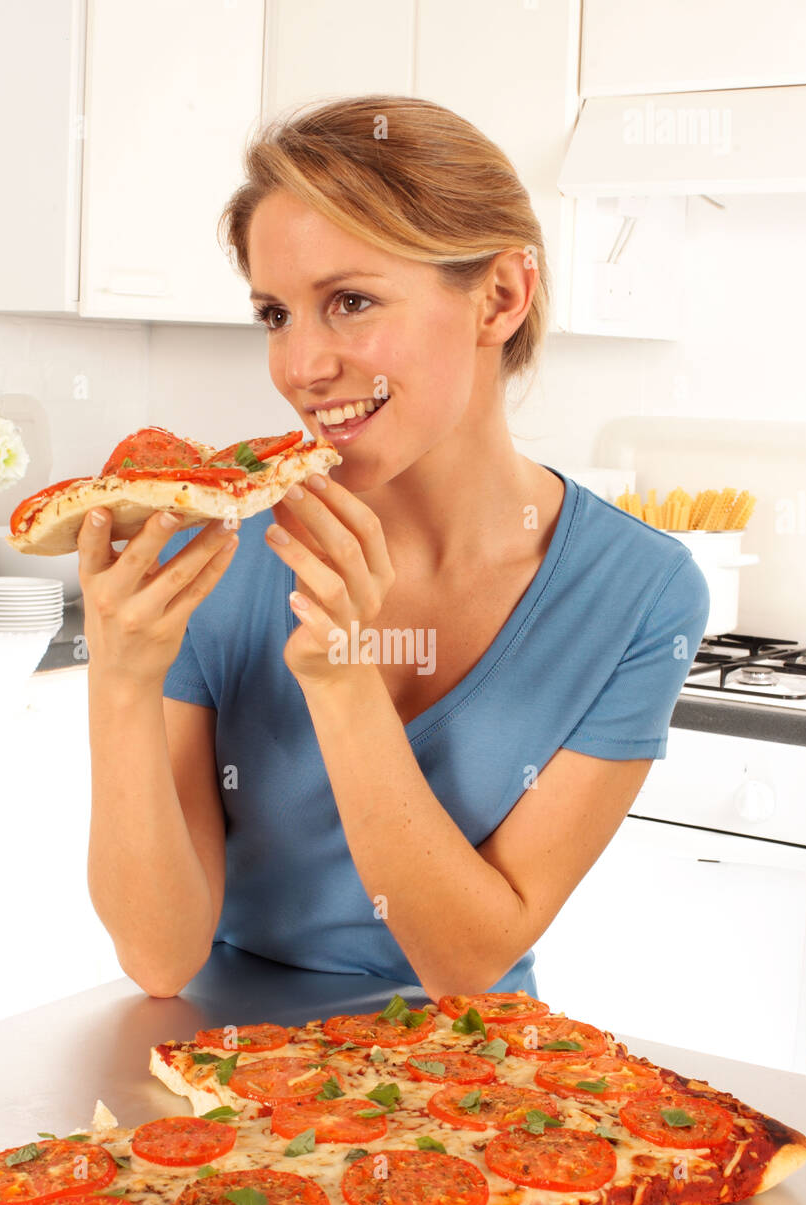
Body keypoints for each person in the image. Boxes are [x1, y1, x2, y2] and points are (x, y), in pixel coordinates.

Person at [81, 95, 710, 1003]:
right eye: (276, 314)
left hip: (478, 1091)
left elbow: (465, 963)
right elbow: (158, 957)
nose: (300, 367)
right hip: (210, 1083)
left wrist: (343, 682)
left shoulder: (642, 593)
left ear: (500, 296)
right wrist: (121, 681)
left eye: (350, 301)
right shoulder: (217, 557)